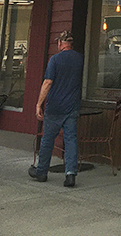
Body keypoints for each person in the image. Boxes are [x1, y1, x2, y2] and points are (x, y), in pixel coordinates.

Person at [28, 30, 84, 188]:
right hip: (72, 105)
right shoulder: (79, 59)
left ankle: (41, 171)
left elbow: (48, 82)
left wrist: (39, 103)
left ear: (60, 43)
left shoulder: (55, 59)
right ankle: (71, 174)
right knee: (71, 139)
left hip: (55, 106)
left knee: (48, 139)